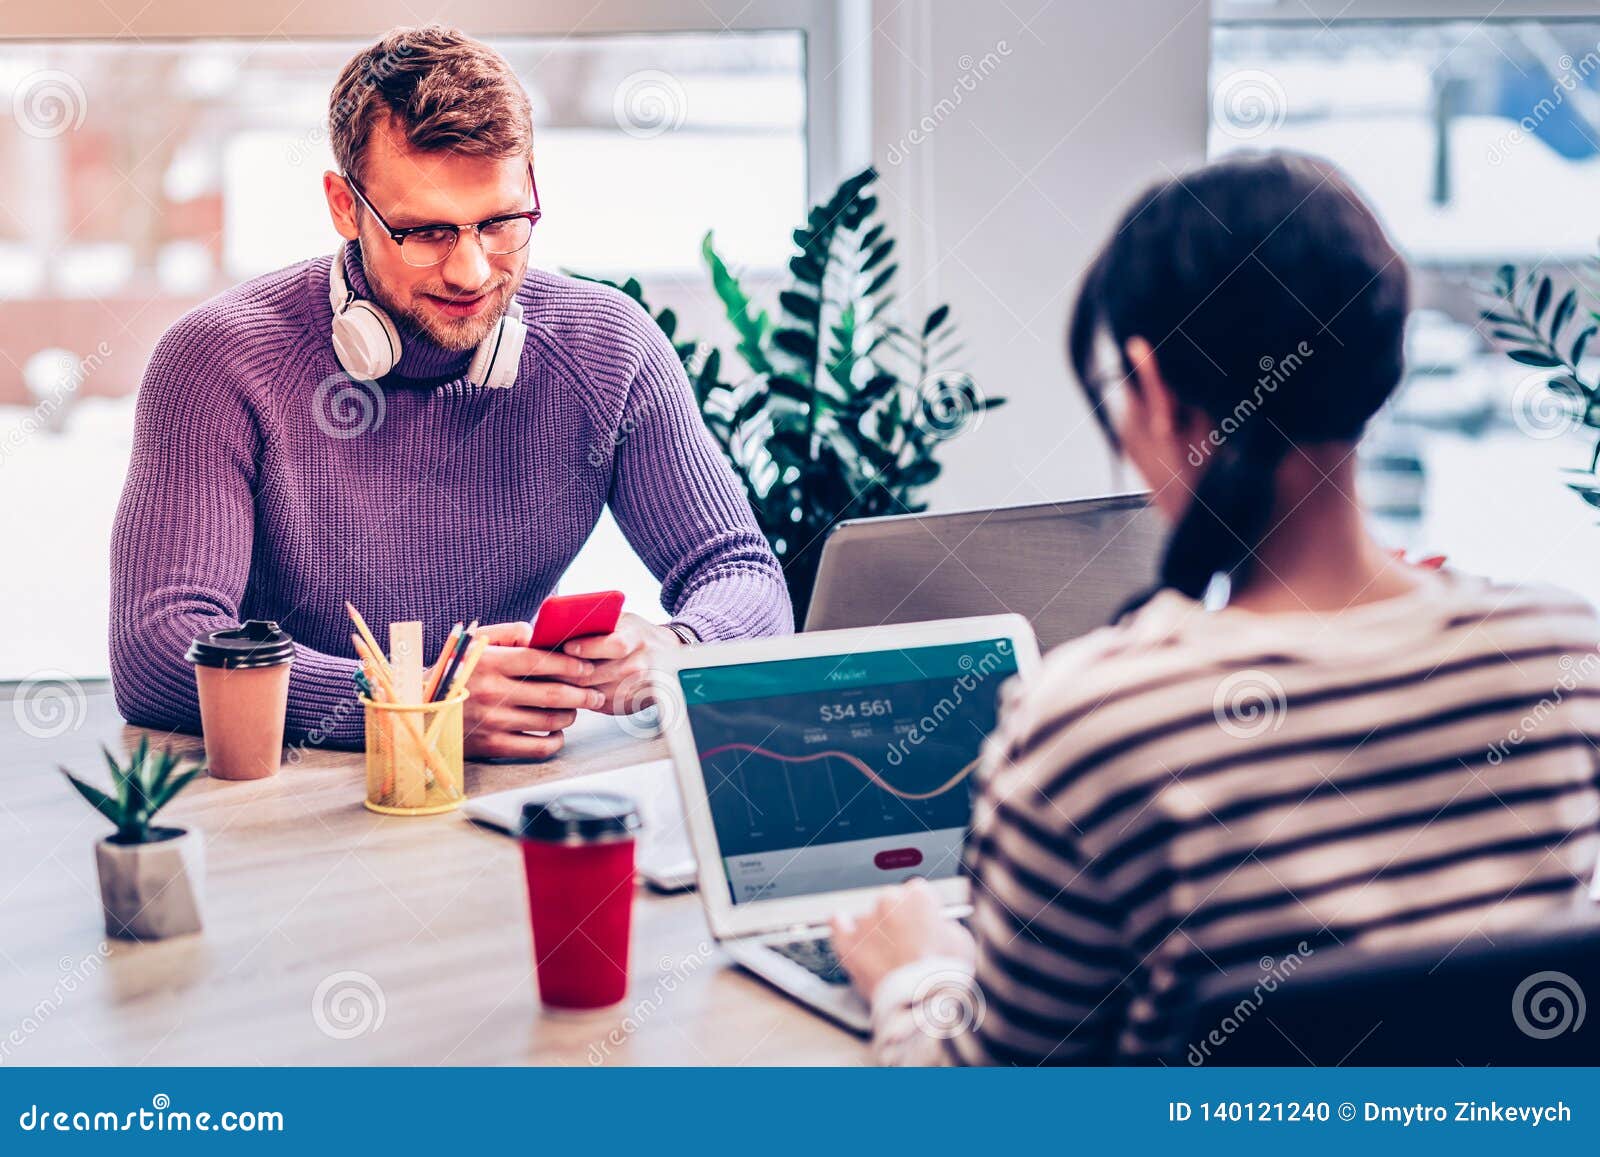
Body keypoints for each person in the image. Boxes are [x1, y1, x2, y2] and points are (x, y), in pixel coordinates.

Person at [832, 152, 1600, 1064]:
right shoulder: (1564, 656)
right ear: (1380, 363)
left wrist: (917, 975)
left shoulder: (1087, 729)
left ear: (1153, 389)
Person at [109, 26, 792, 758]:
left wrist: (675, 647)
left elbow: (742, 575)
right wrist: (413, 709)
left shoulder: (609, 351)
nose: (471, 272)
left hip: (506, 798)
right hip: (298, 800)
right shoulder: (218, 361)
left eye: (500, 223)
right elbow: (160, 650)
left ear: (531, 185)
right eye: (426, 231)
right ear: (345, 206)